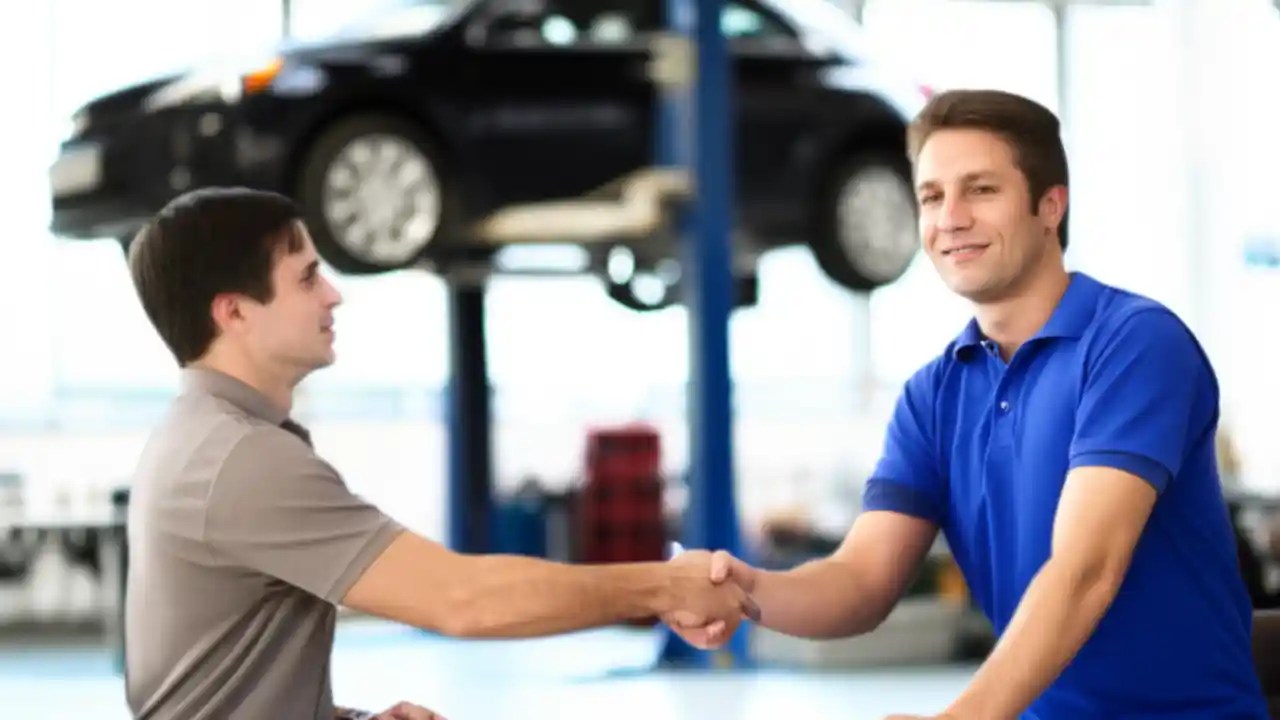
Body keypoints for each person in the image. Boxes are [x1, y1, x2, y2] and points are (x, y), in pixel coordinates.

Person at [674, 89, 1270, 718]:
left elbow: (1087, 569)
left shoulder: (1133, 343)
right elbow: (862, 581)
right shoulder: (934, 396)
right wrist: (747, 590)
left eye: (981, 190)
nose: (950, 217)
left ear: (1050, 205)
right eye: (932, 196)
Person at [121, 187, 758, 720]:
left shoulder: (207, 436)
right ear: (234, 313)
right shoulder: (239, 459)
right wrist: (663, 585)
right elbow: (464, 598)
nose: (333, 295)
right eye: (307, 277)